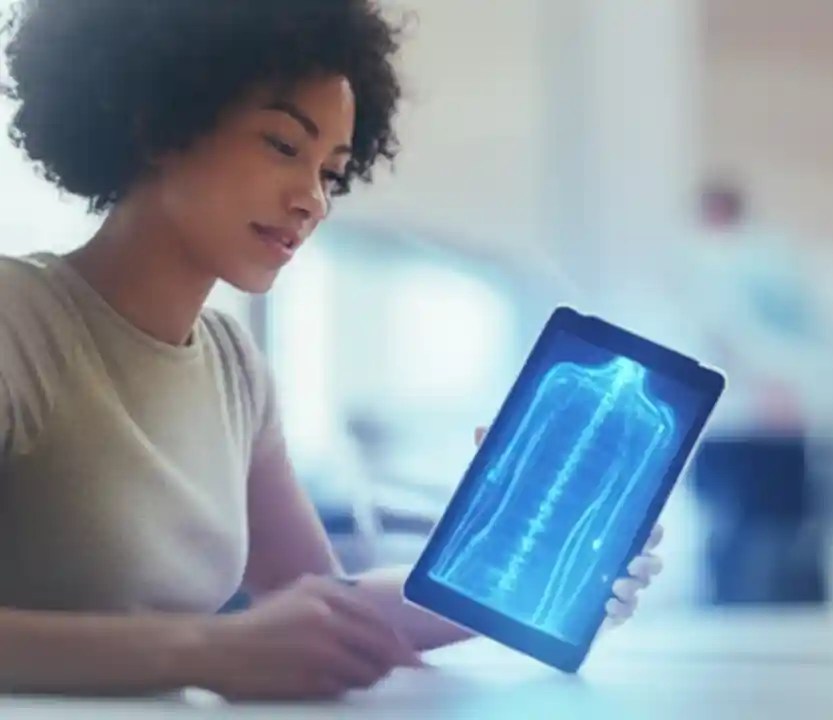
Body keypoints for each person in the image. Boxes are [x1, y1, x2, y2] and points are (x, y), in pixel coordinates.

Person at [0, 0, 663, 701]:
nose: (313, 200)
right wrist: (205, 649)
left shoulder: (232, 366)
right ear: (158, 123)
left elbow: (323, 606)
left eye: (332, 173)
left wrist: (518, 564)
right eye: (284, 146)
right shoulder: (18, 321)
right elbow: (224, 645)